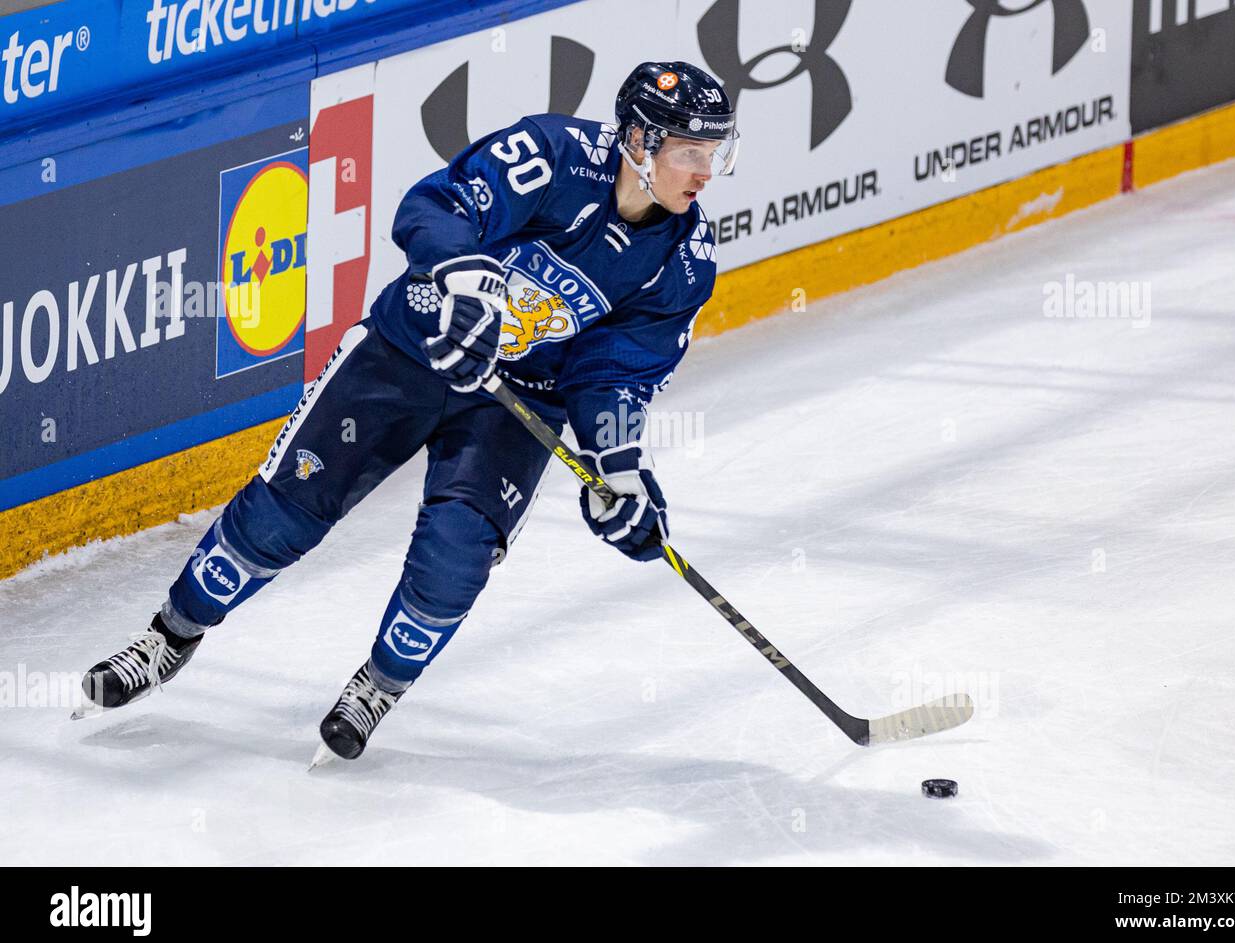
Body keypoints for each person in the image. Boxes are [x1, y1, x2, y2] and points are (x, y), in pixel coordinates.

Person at [77, 60, 739, 762]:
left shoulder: (685, 261)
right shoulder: (554, 157)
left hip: (518, 405)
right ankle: (169, 636)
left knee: (457, 558)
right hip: (410, 352)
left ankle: (379, 685)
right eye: (691, 152)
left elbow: (616, 375)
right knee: (285, 512)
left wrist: (619, 467)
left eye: (714, 153)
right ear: (639, 140)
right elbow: (436, 206)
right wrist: (466, 282)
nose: (705, 171)